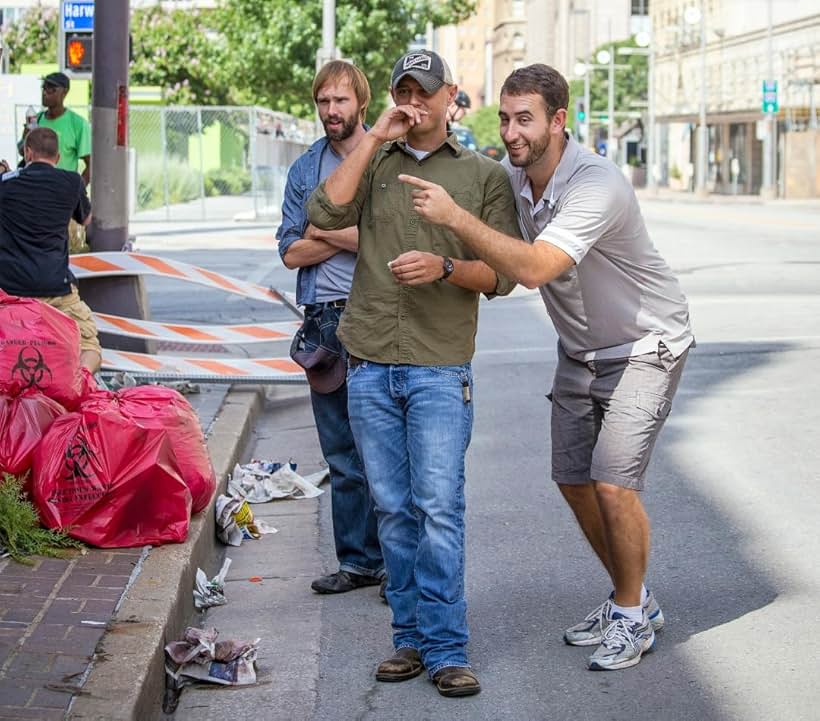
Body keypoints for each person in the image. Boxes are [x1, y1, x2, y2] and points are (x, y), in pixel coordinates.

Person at [399, 63, 694, 672]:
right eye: (505, 118)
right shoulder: (512, 176)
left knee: (613, 481)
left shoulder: (596, 184)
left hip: (645, 345)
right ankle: (630, 599)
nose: (511, 132)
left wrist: (455, 218)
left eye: (524, 119)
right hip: (579, 350)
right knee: (573, 479)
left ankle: (633, 616)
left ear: (559, 121)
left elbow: (534, 268)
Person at [307, 49, 520, 697]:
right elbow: (324, 211)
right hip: (370, 364)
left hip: (437, 366)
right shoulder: (375, 163)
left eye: (425, 91)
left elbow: (504, 276)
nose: (414, 101)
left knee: (438, 508)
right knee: (393, 511)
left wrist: (446, 267)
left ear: (451, 95)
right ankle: (408, 637)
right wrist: (375, 135)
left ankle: (448, 646)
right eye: (404, 90)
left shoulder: (484, 174)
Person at [277, 61, 385, 596]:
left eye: (340, 101)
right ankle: (358, 562)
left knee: (385, 448)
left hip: (376, 311)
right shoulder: (305, 170)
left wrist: (329, 228)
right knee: (341, 453)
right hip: (323, 321)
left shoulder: (384, 160)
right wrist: (349, 232)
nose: (331, 112)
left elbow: (388, 244)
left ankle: (398, 564)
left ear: (360, 104)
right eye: (323, 102)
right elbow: (291, 251)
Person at [0, 128, 101, 373]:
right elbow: (86, 219)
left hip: (10, 291)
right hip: (56, 289)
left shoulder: (5, 185)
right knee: (90, 347)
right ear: (57, 157)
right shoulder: (72, 182)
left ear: (28, 152)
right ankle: (79, 381)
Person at [32, 73, 91, 185]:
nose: (45, 93)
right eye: (44, 88)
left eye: (51, 89)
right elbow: (23, 152)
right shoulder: (36, 119)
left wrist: (77, 190)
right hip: (37, 189)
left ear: (64, 92)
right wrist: (26, 135)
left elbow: (91, 164)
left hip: (63, 192)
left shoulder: (78, 123)